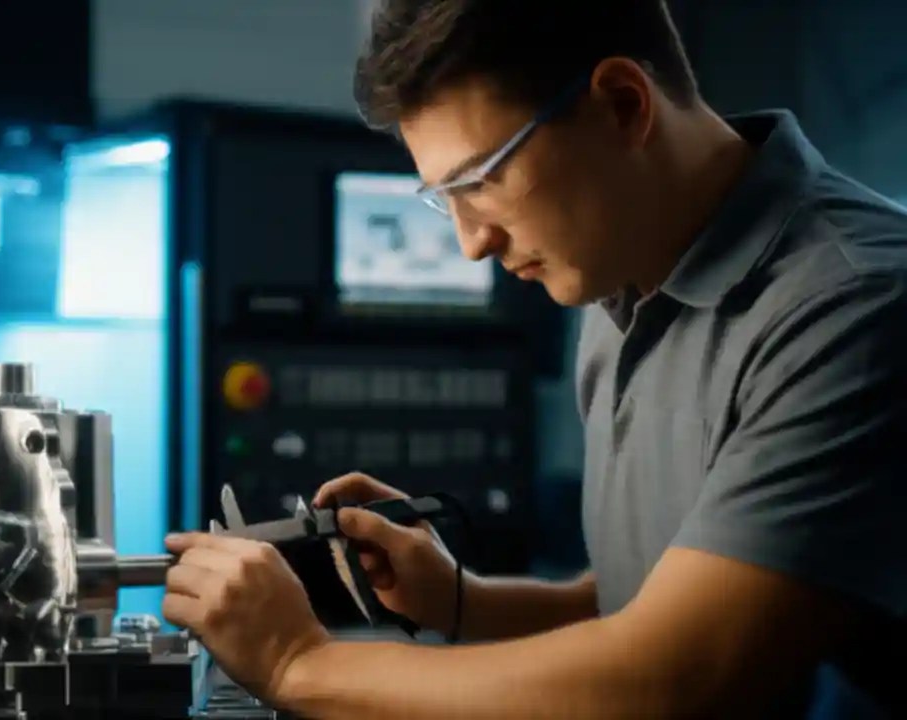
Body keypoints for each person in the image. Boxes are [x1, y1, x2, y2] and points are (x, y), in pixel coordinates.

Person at [161, 0, 907, 716]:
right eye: (442, 198)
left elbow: (674, 677)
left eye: (480, 182)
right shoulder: (619, 277)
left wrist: (300, 664)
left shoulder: (855, 307)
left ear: (622, 104)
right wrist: (463, 601)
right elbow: (646, 597)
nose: (471, 243)